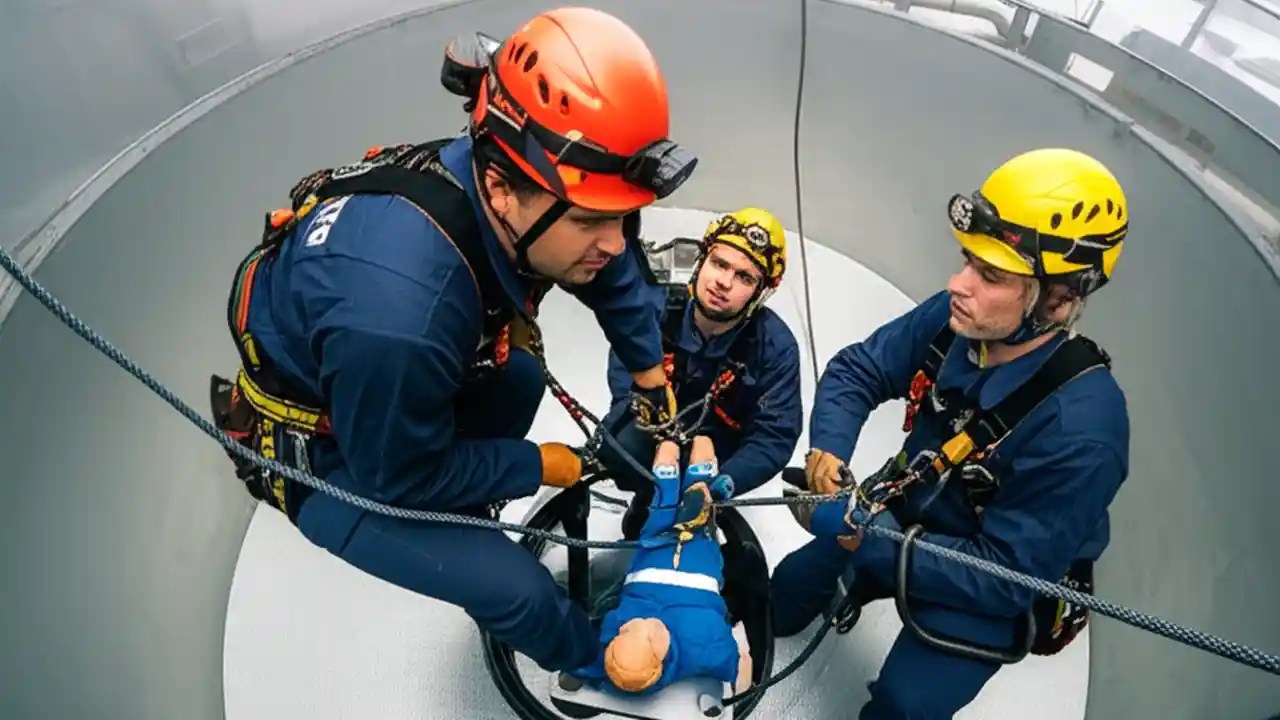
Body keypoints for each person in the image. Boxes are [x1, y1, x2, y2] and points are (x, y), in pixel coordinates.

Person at [207, 7, 695, 674]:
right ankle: (591, 665)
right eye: (591, 221)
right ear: (500, 187)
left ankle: (467, 521)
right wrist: (534, 465)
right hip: (333, 461)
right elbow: (396, 474)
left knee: (519, 378)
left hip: (387, 394)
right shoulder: (399, 317)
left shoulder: (504, 170)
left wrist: (649, 378)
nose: (615, 243)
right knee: (518, 593)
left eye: (623, 217)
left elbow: (611, 274)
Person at [770, 147, 1132, 718]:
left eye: (989, 275)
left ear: (1059, 299)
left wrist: (867, 537)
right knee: (788, 587)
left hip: (987, 576)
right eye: (967, 260)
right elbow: (858, 370)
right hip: (902, 510)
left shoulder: (1083, 432)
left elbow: (1003, 579)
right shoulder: (959, 318)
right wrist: (828, 450)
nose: (957, 283)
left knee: (905, 703)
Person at [596, 207, 804, 539]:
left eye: (744, 277)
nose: (723, 282)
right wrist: (641, 420)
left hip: (718, 457)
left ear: (760, 293)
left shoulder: (775, 348)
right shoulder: (658, 308)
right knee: (619, 442)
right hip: (655, 430)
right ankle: (645, 501)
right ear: (701, 260)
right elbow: (627, 365)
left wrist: (725, 483)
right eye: (719, 263)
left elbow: (773, 437)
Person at [572, 436, 751, 696]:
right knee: (693, 522)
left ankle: (675, 472)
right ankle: (693, 467)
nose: (634, 624)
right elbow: (738, 666)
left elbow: (581, 664)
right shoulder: (702, 648)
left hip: (653, 555)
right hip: (694, 562)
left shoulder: (608, 641)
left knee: (662, 516)